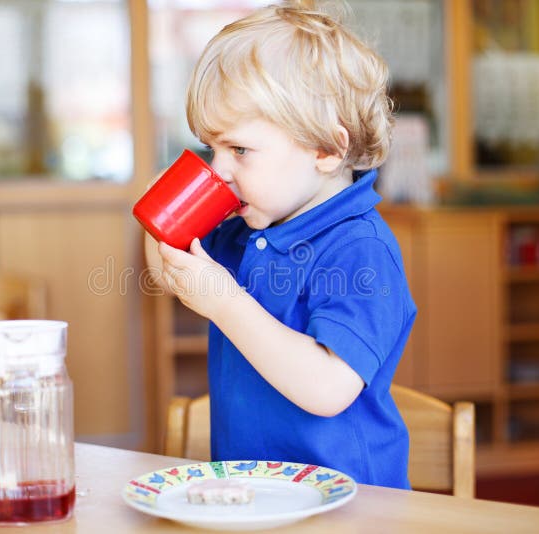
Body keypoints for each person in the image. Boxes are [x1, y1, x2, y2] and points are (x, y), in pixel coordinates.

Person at [144, 0, 416, 489]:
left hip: (353, 508)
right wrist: (165, 215)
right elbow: (169, 270)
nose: (219, 169)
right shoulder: (245, 228)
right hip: (255, 496)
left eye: (239, 149)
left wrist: (226, 303)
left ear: (326, 149)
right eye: (213, 148)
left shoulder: (361, 249)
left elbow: (328, 388)